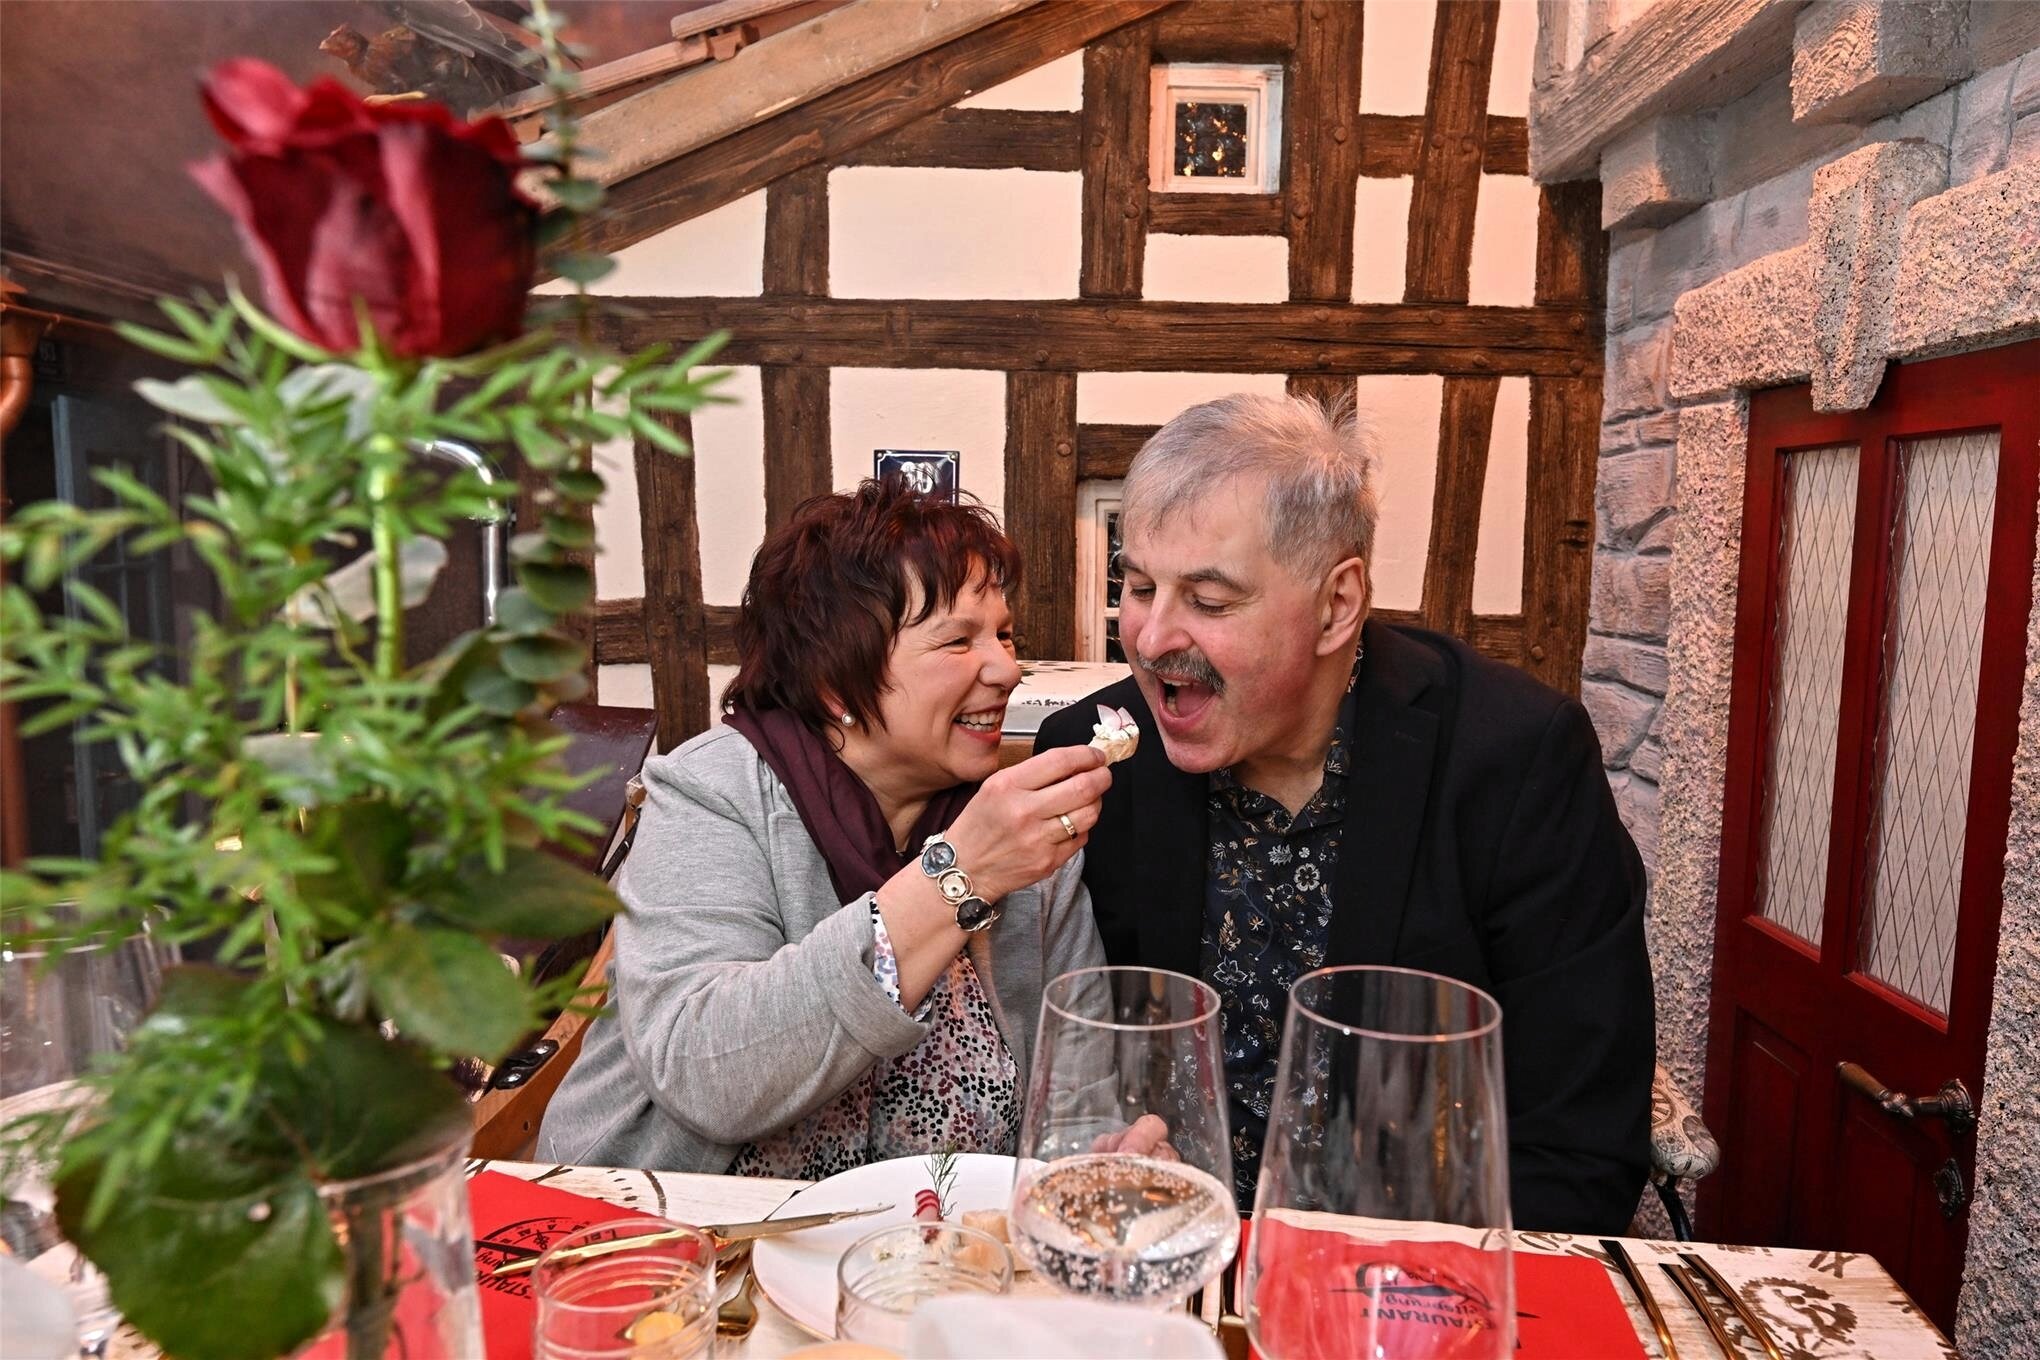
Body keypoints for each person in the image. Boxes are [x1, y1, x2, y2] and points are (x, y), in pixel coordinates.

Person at [1037, 393, 1655, 1234]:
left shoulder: (1516, 760)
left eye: (1210, 601)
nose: (1147, 638)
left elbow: (1578, 1143)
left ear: (1338, 604)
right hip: (1162, 1252)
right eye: (1139, 586)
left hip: (1413, 1280)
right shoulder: (1095, 756)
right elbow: (1053, 1062)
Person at [539, 478, 1117, 1177]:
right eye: (958, 641)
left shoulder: (1026, 834)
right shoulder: (711, 792)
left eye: (1003, 633)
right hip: (681, 1250)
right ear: (836, 683)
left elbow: (1078, 1108)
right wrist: (959, 878)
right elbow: (708, 1074)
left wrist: (1104, 1160)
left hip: (938, 1265)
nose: (1008, 667)